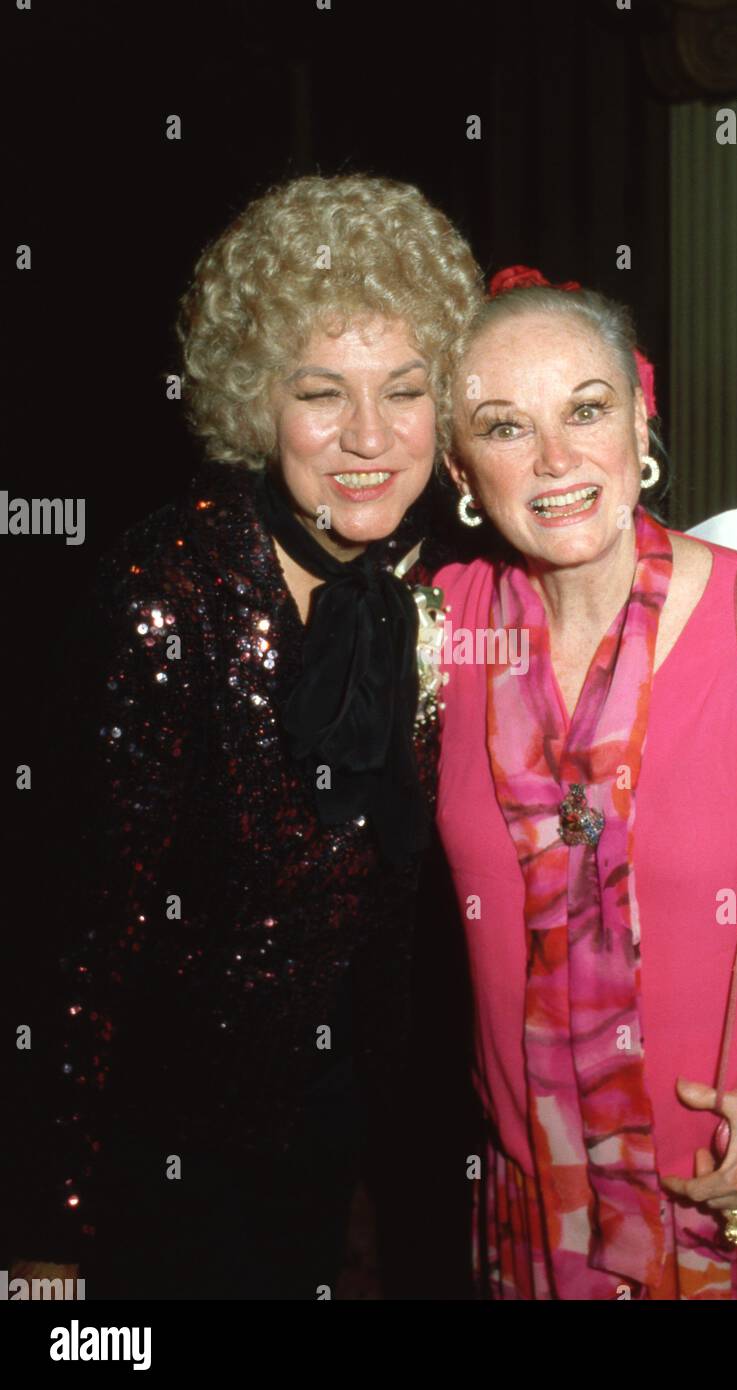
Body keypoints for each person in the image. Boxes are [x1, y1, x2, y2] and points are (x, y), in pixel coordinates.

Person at [10, 173, 482, 1299]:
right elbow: (71, 939)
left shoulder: (417, 599)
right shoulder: (161, 594)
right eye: (323, 393)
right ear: (252, 402)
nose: (368, 436)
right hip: (162, 1162)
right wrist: (45, 1229)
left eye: (405, 391)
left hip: (330, 1141)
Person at [432, 274, 737, 1299]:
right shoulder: (440, 633)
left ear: (639, 416)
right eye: (503, 426)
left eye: (585, 408)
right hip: (538, 1210)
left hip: (729, 1204)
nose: (556, 460)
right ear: (457, 468)